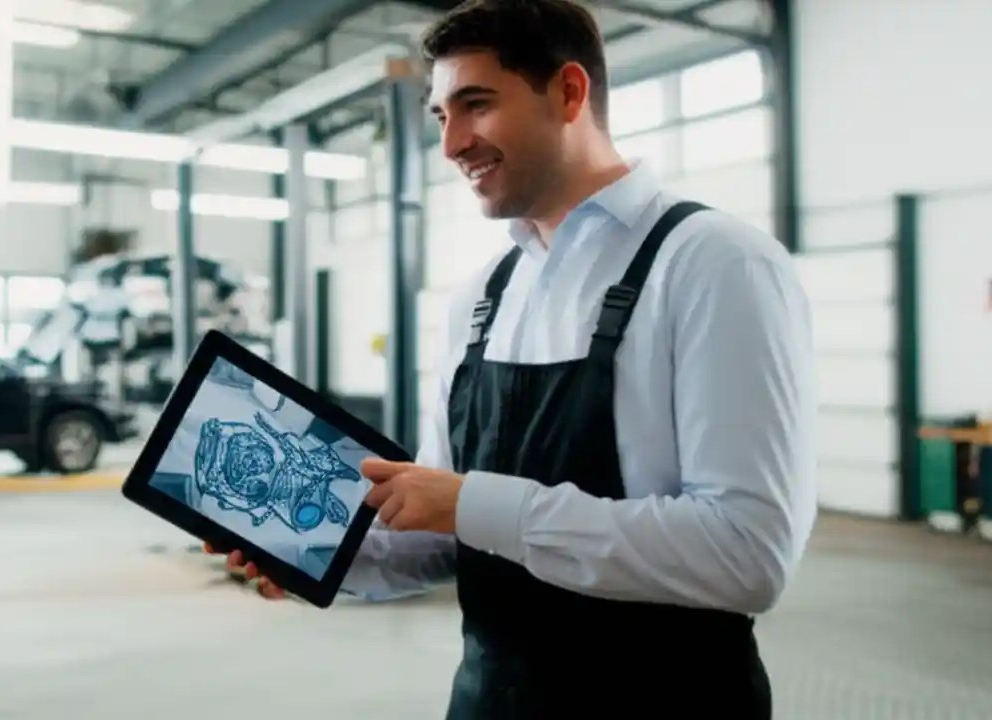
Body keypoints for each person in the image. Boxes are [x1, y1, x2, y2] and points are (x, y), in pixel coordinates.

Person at [215, 0, 817, 717]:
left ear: (568, 93)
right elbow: (449, 537)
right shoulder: (480, 299)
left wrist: (474, 500)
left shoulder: (715, 264)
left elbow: (747, 554)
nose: (452, 144)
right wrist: (322, 552)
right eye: (441, 116)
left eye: (476, 105)